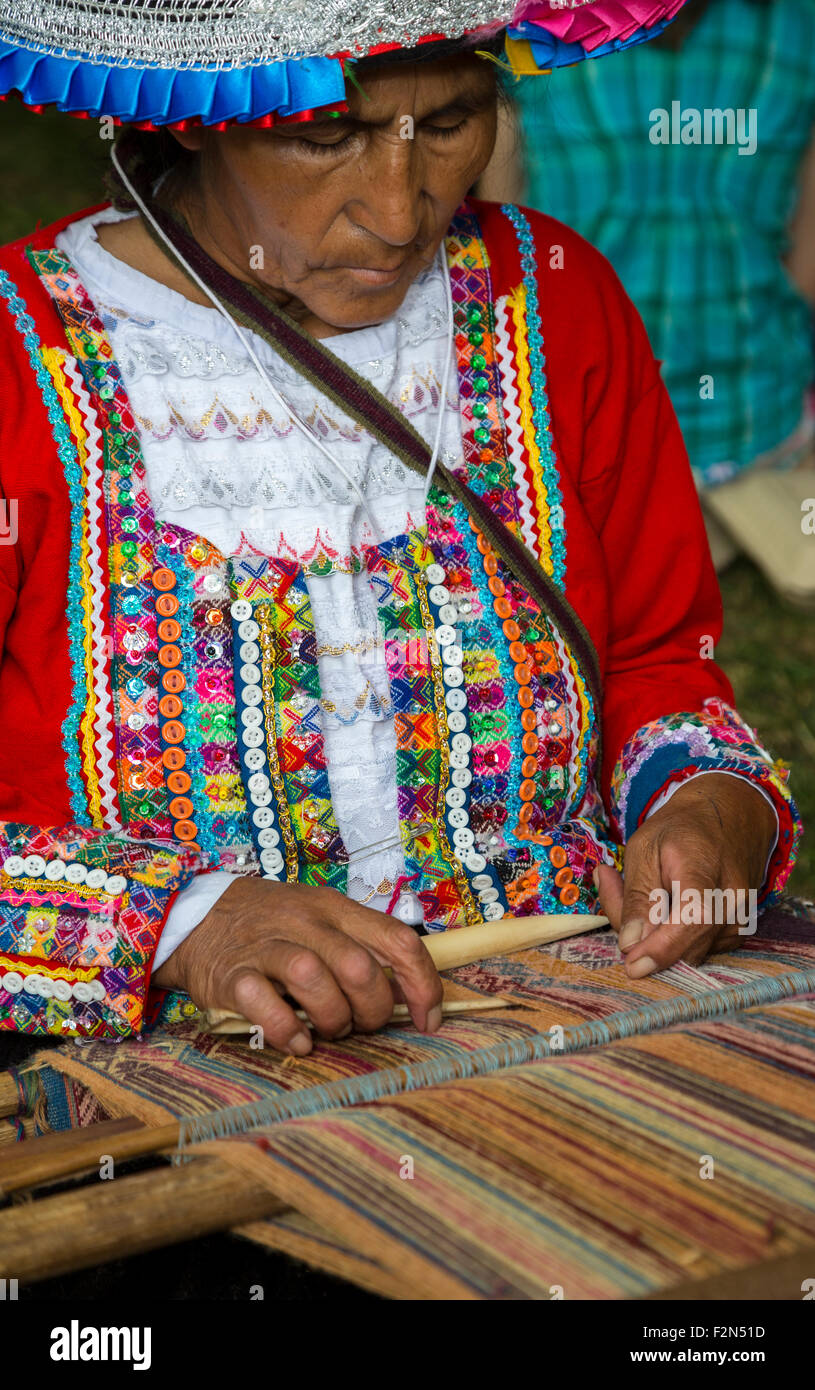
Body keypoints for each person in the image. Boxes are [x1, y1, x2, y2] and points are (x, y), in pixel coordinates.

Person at [0, 0, 800, 1055]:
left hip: (560, 1008)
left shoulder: (554, 300)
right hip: (162, 1068)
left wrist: (707, 803)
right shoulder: (21, 355)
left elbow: (656, 657)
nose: (396, 209)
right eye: (326, 135)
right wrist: (187, 921)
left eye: (452, 120)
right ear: (194, 112)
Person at [480, 0, 815, 600]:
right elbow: (501, 240)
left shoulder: (799, 24)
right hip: (580, 436)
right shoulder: (519, 28)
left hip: (753, 422)